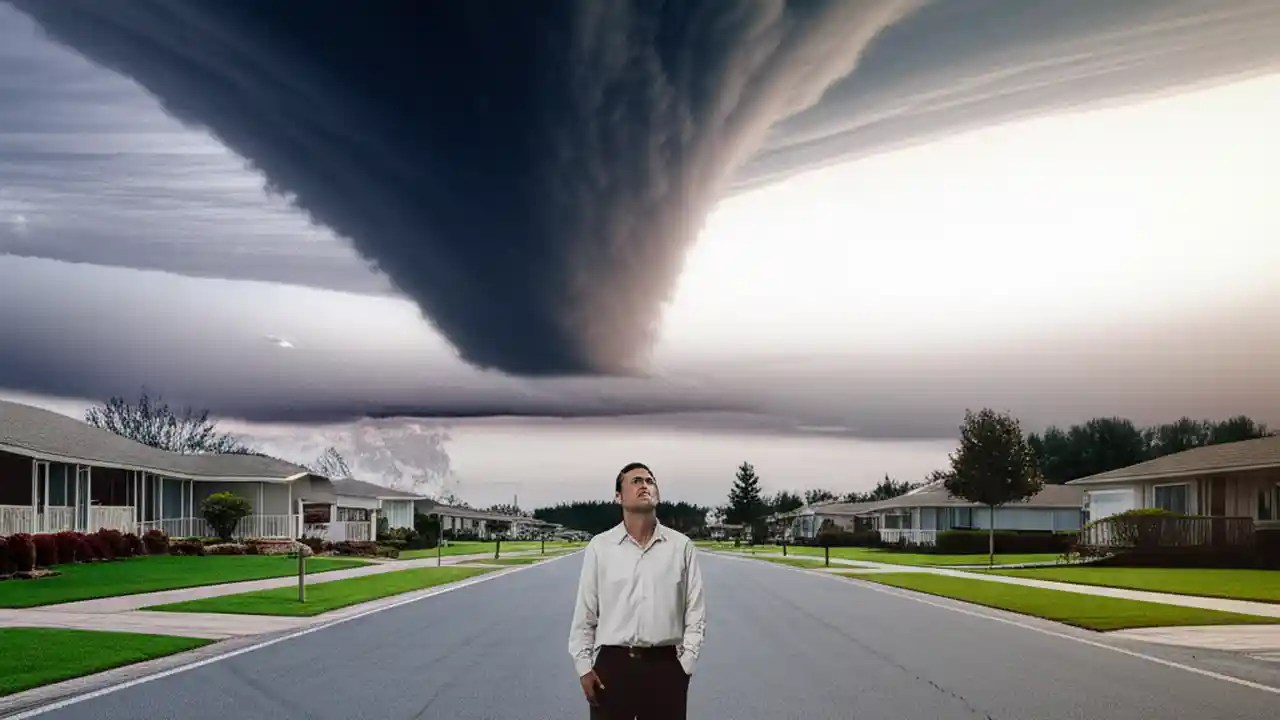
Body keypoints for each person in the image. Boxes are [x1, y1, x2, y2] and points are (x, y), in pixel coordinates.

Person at [567, 462, 706, 719]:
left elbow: (695, 611)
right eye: (636, 481)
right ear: (618, 496)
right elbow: (585, 613)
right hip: (613, 666)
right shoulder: (601, 547)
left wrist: (686, 664)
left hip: (666, 668)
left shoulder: (681, 547)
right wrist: (584, 667)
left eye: (650, 481)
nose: (645, 485)